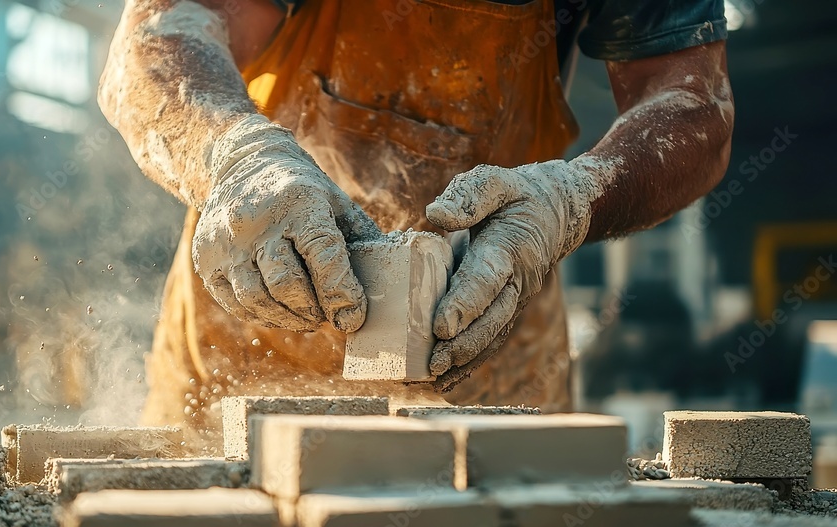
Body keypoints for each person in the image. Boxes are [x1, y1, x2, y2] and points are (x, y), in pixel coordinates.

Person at [98, 0, 734, 438]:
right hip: (249, 337)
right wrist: (238, 157)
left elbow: (692, 103)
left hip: (490, 327)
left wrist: (569, 200)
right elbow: (161, 33)